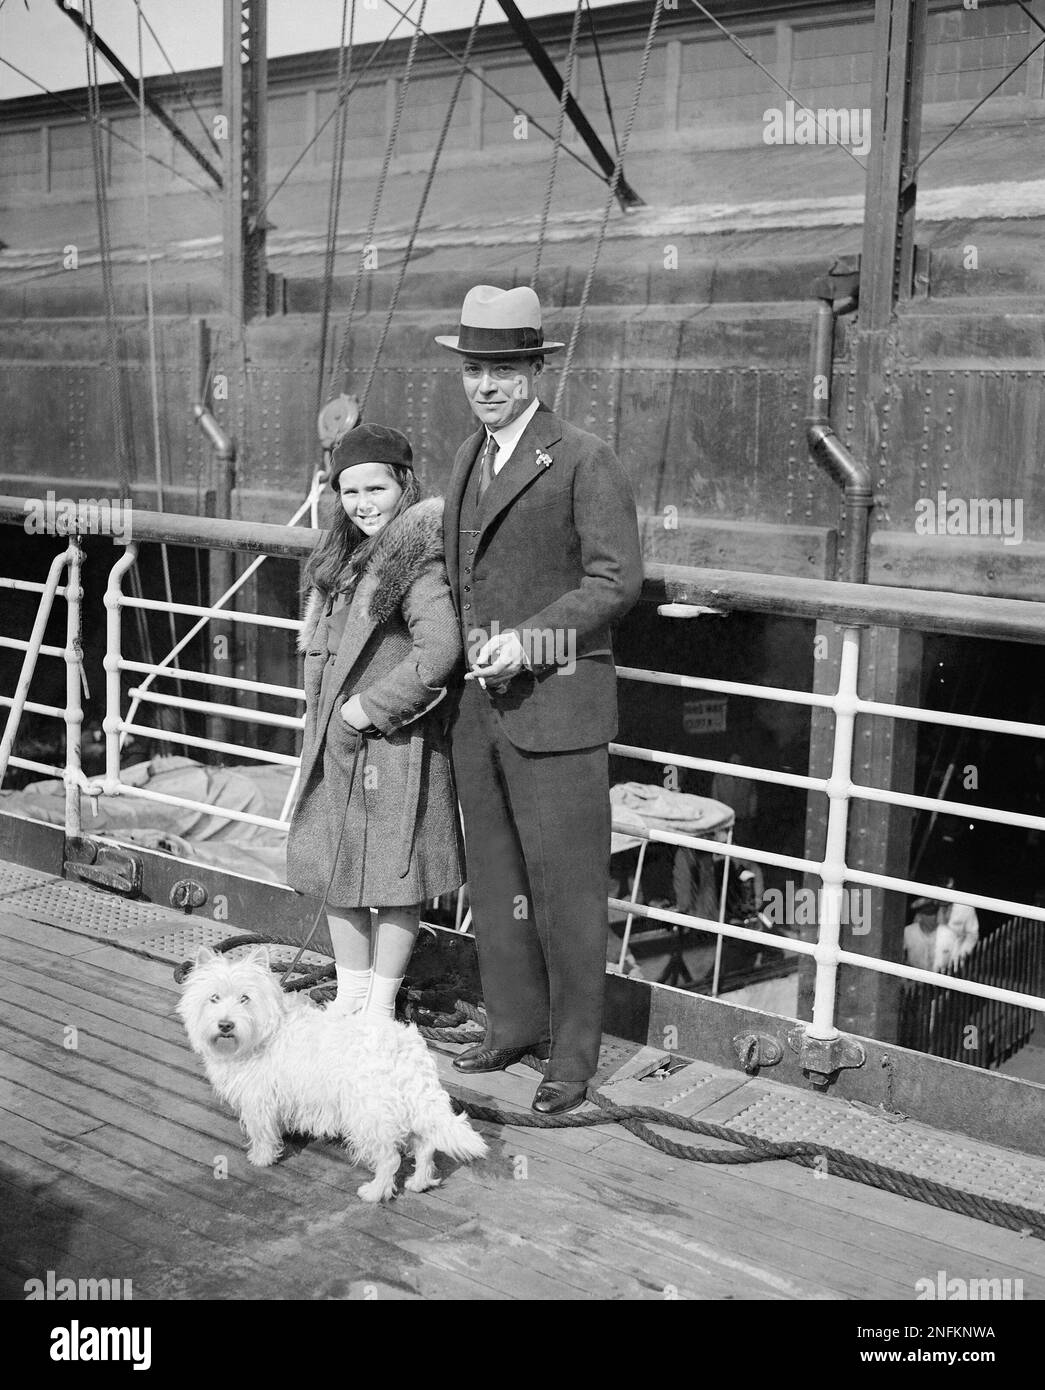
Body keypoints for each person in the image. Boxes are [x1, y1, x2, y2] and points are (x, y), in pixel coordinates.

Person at [437, 284, 644, 1114]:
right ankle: (512, 1024)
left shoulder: (584, 457)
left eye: (502, 369)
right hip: (477, 712)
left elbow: (615, 579)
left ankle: (572, 1057)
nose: (486, 385)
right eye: (474, 370)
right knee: (494, 880)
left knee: (566, 892)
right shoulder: (466, 456)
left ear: (533, 370)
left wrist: (530, 640)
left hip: (555, 710)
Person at [286, 424, 462, 1017]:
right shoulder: (342, 555)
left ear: (404, 485)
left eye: (377, 489)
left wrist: (364, 710)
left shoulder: (415, 560)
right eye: (350, 491)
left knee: (394, 877)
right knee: (337, 865)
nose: (363, 505)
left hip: (391, 742)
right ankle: (352, 995)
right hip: (337, 743)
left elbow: (439, 651)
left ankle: (379, 1006)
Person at [903, 898, 959, 973]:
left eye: (934, 913)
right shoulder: (908, 932)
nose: (933, 918)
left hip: (940, 979)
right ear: (920, 915)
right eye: (928, 914)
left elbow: (956, 962)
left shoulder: (949, 934)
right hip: (914, 978)